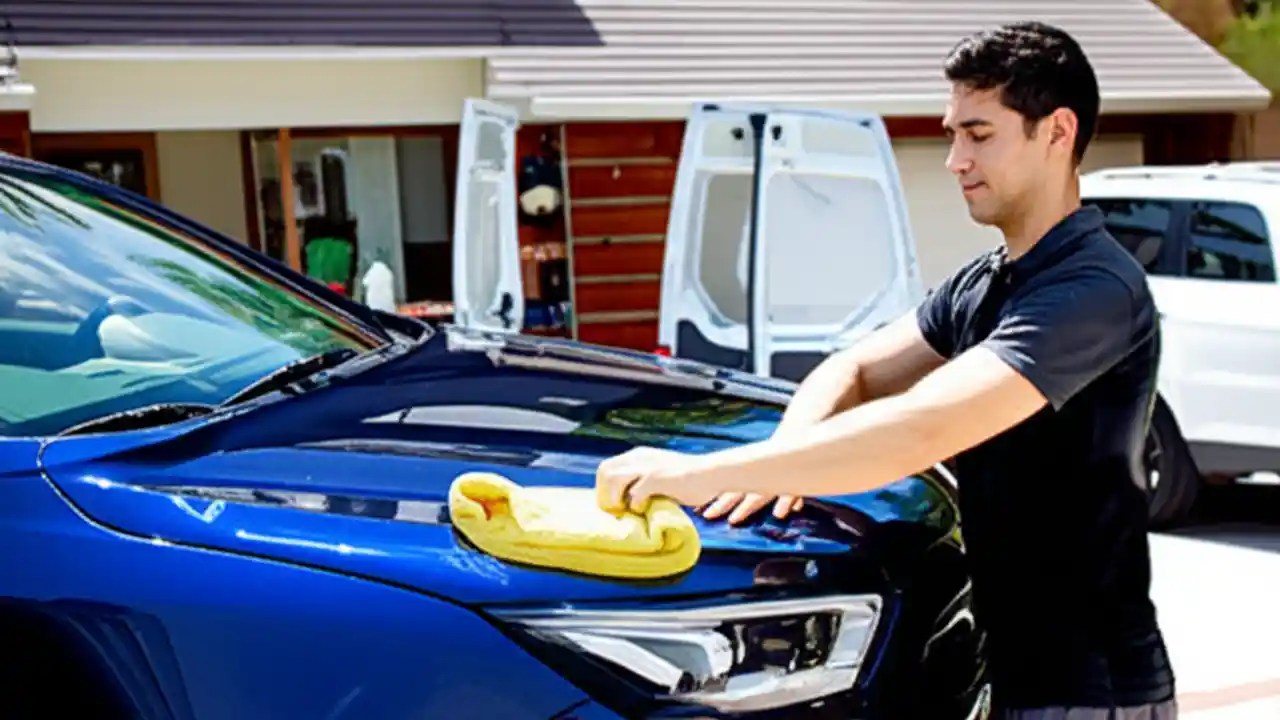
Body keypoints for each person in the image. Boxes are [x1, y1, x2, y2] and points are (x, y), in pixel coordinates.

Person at [594, 21, 1177, 720]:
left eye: (979, 134)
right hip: (1013, 678)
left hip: (1094, 695)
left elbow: (921, 426)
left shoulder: (1094, 290)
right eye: (953, 132)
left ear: (1057, 132)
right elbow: (857, 370)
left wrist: (715, 472)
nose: (955, 158)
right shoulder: (986, 283)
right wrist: (783, 464)